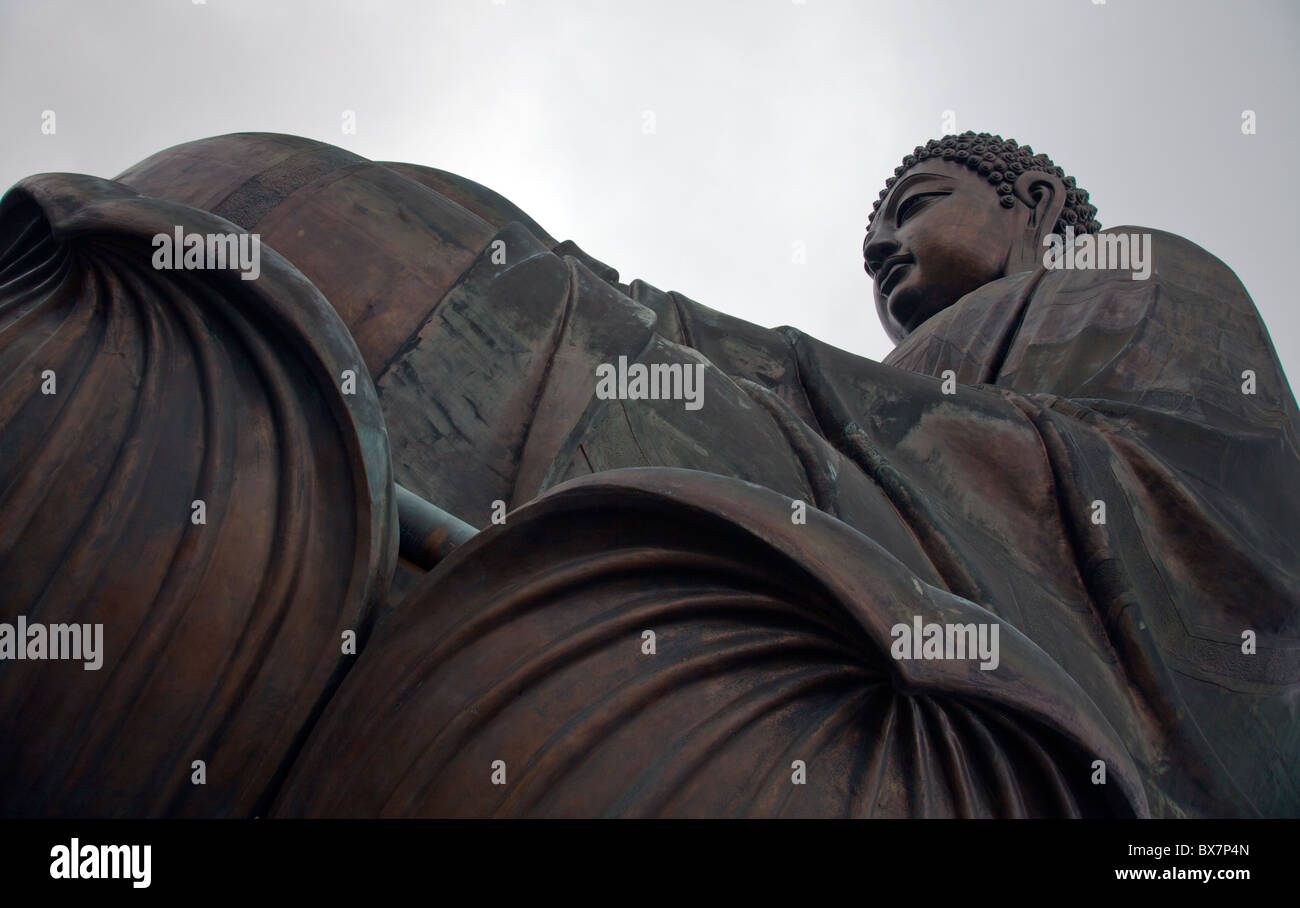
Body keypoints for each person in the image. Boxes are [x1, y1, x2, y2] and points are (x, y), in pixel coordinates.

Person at [2, 131, 1295, 817]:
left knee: (383, 264)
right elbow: (822, 404)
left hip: (989, 631)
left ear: (1028, 202)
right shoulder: (887, 377)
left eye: (919, 205)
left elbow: (1198, 566)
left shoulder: (1131, 275)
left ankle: (375, 574)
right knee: (303, 209)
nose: (887, 247)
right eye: (872, 236)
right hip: (833, 496)